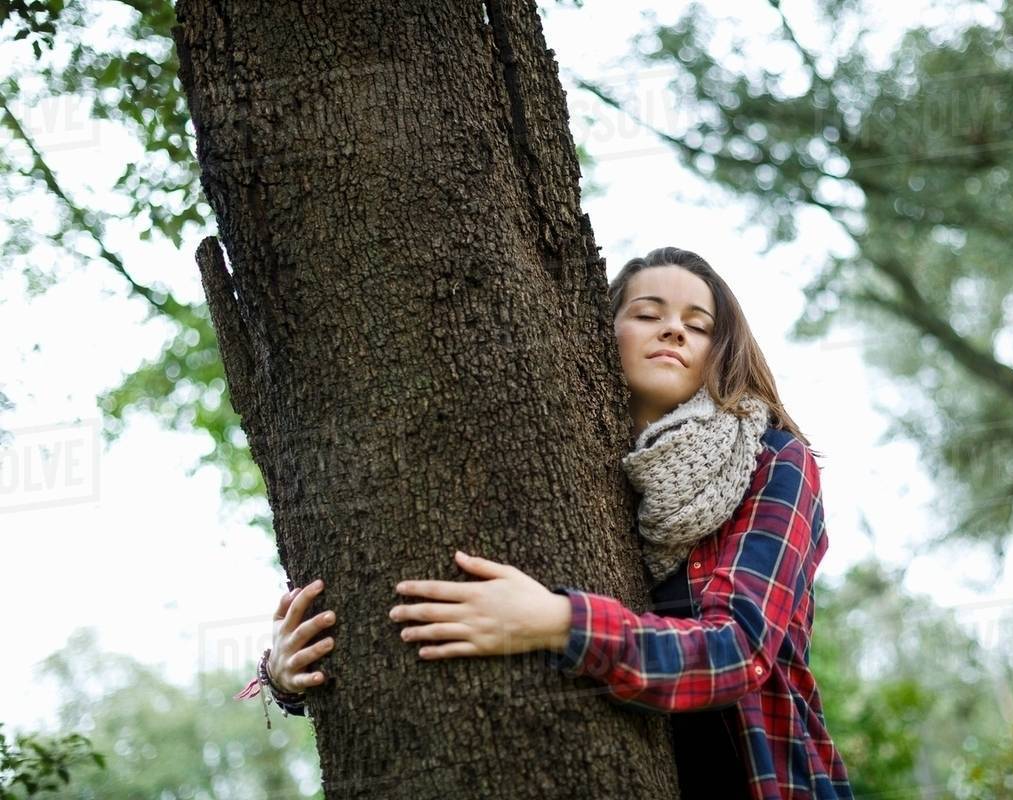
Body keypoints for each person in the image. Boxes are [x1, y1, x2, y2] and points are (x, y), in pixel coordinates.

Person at [239, 247, 855, 800]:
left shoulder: (772, 462)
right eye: (647, 313)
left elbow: (738, 652)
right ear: (598, 328)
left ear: (721, 352)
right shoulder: (567, 461)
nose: (673, 328)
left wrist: (558, 620)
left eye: (699, 325)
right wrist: (290, 674)